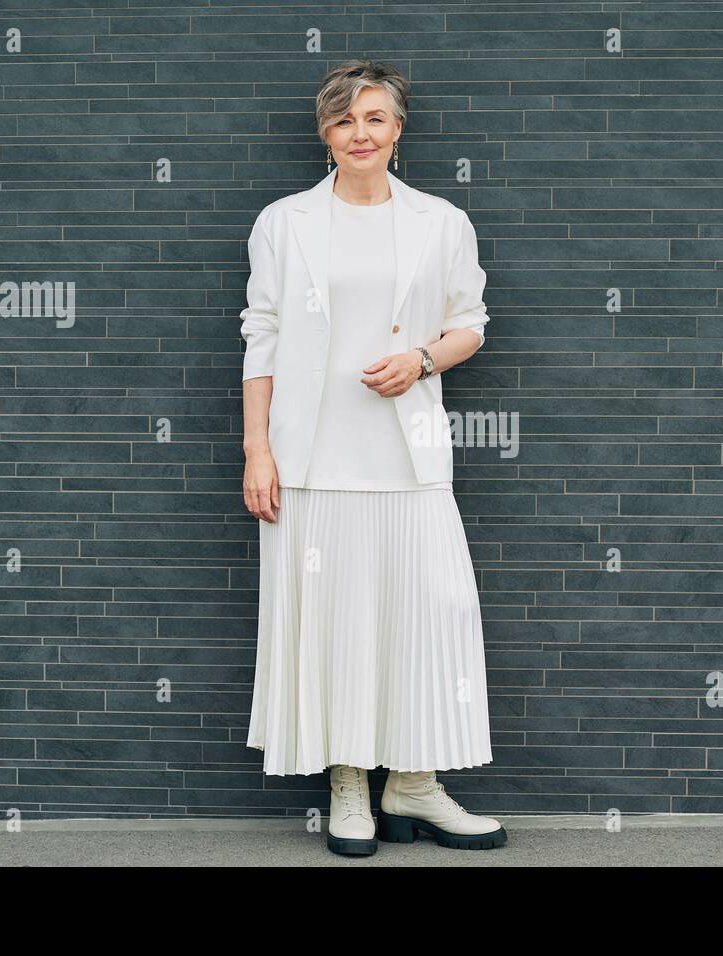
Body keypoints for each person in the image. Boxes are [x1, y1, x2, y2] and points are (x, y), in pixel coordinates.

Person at [238, 59, 506, 856]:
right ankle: (349, 782)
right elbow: (263, 337)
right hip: (312, 461)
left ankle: (415, 785)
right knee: (337, 623)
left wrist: (423, 361)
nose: (362, 132)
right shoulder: (285, 223)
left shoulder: (442, 222)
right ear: (326, 134)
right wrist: (259, 450)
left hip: (410, 458)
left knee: (432, 610)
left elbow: (472, 321)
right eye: (346, 119)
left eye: (377, 118)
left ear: (398, 131)